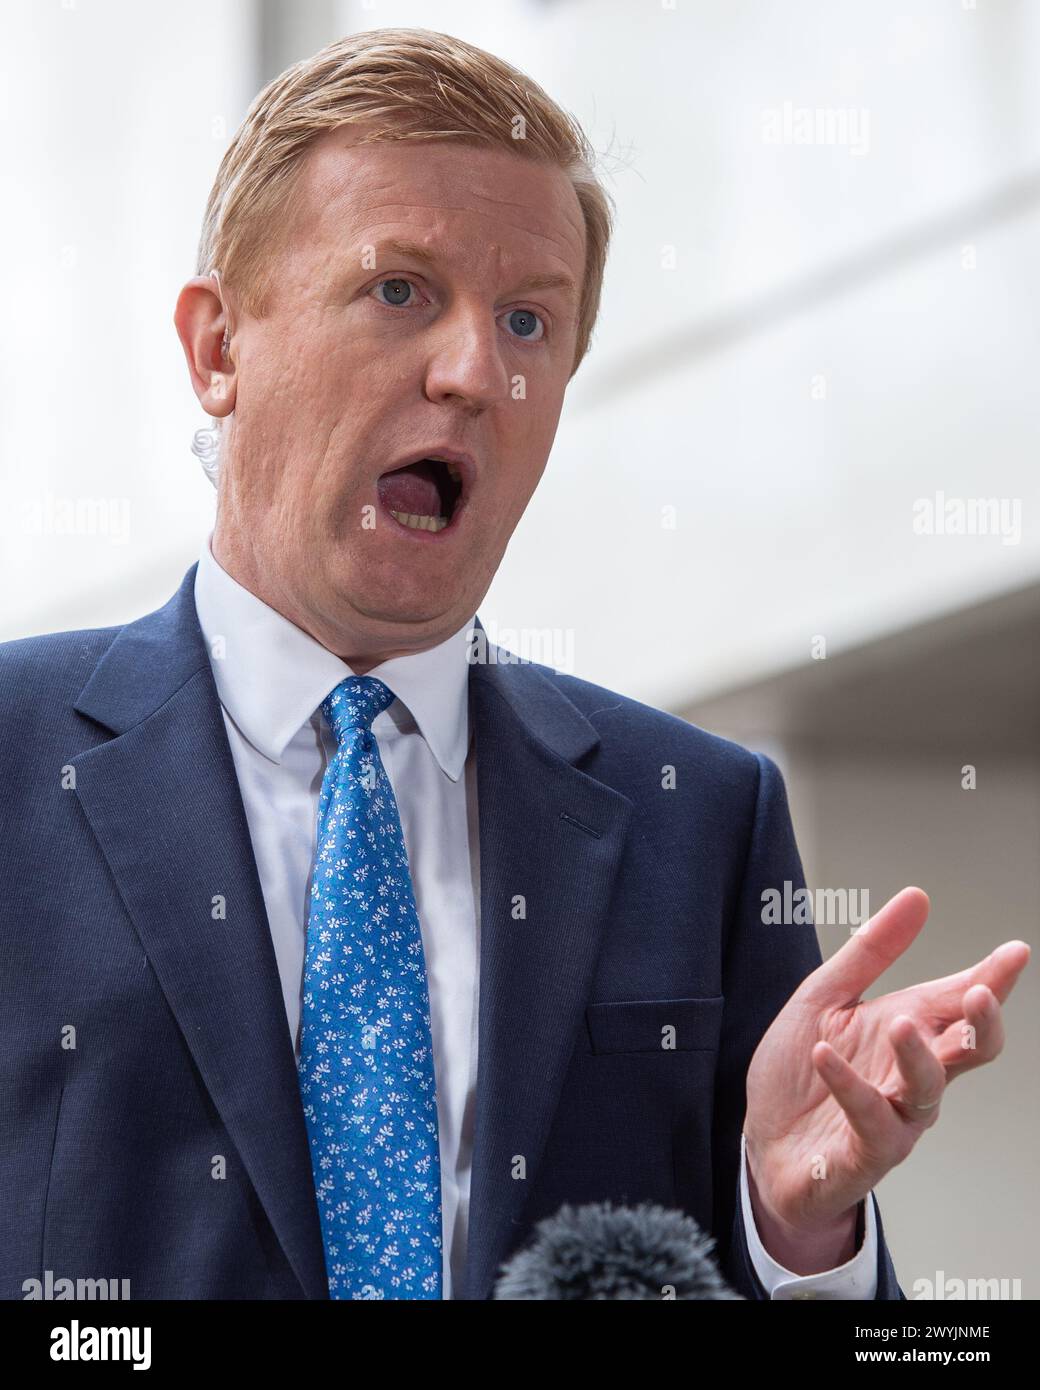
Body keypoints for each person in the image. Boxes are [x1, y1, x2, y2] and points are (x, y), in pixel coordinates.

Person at [0, 28, 1028, 1302]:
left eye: (528, 318)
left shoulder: (698, 819)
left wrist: (792, 1229)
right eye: (399, 291)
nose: (476, 371)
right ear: (218, 347)